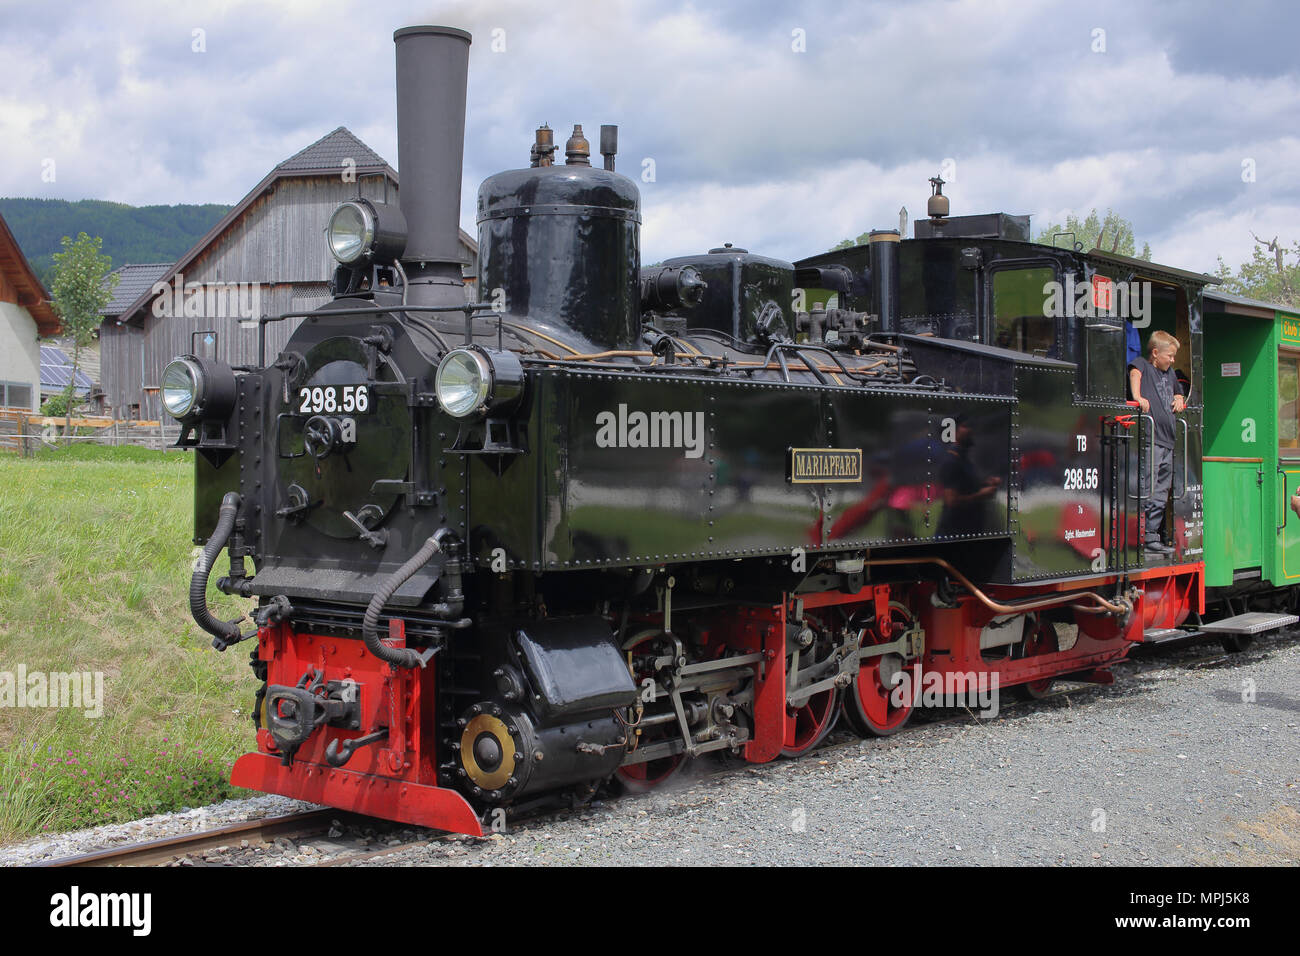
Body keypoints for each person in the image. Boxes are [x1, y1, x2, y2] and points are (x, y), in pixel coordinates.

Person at [1128, 330, 1186, 554]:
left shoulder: (1170, 373)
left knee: (1162, 491)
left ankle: (1152, 536)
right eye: (1169, 356)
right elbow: (1134, 374)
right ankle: (1138, 537)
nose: (1172, 360)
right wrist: (1137, 396)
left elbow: (1178, 391)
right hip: (1151, 439)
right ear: (1155, 353)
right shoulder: (1142, 364)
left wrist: (1179, 398)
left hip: (1168, 441)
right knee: (1147, 488)